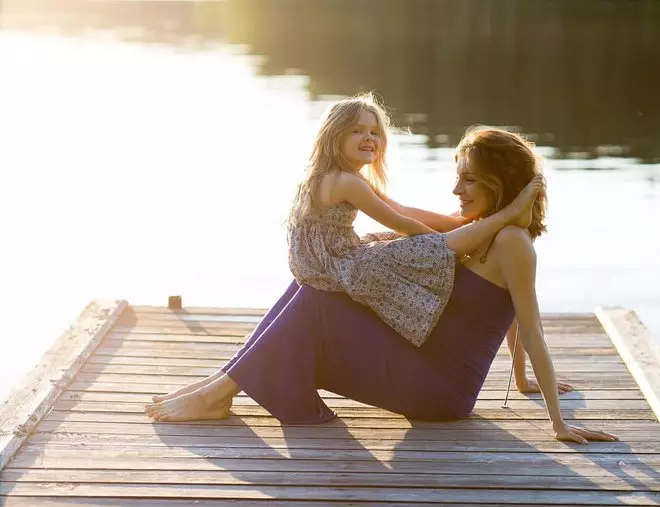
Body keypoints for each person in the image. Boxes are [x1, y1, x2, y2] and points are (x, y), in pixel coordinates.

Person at [146, 125, 617, 444]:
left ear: (501, 182)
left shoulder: (513, 241)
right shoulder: (481, 228)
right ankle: (218, 384)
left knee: (318, 302)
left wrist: (558, 424)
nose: (457, 191)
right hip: (415, 360)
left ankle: (218, 393)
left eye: (469, 180)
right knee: (316, 285)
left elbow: (528, 323)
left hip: (439, 389)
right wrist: (519, 381)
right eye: (458, 178)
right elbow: (498, 306)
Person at [287, 93, 541, 346]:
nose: (368, 138)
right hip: (332, 264)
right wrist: (442, 244)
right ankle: (419, 321)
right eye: (356, 131)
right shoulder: (346, 182)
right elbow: (400, 222)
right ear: (334, 136)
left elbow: (401, 210)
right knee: (407, 251)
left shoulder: (335, 176)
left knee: (390, 242)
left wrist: (457, 224)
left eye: (374, 132)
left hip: (319, 261)